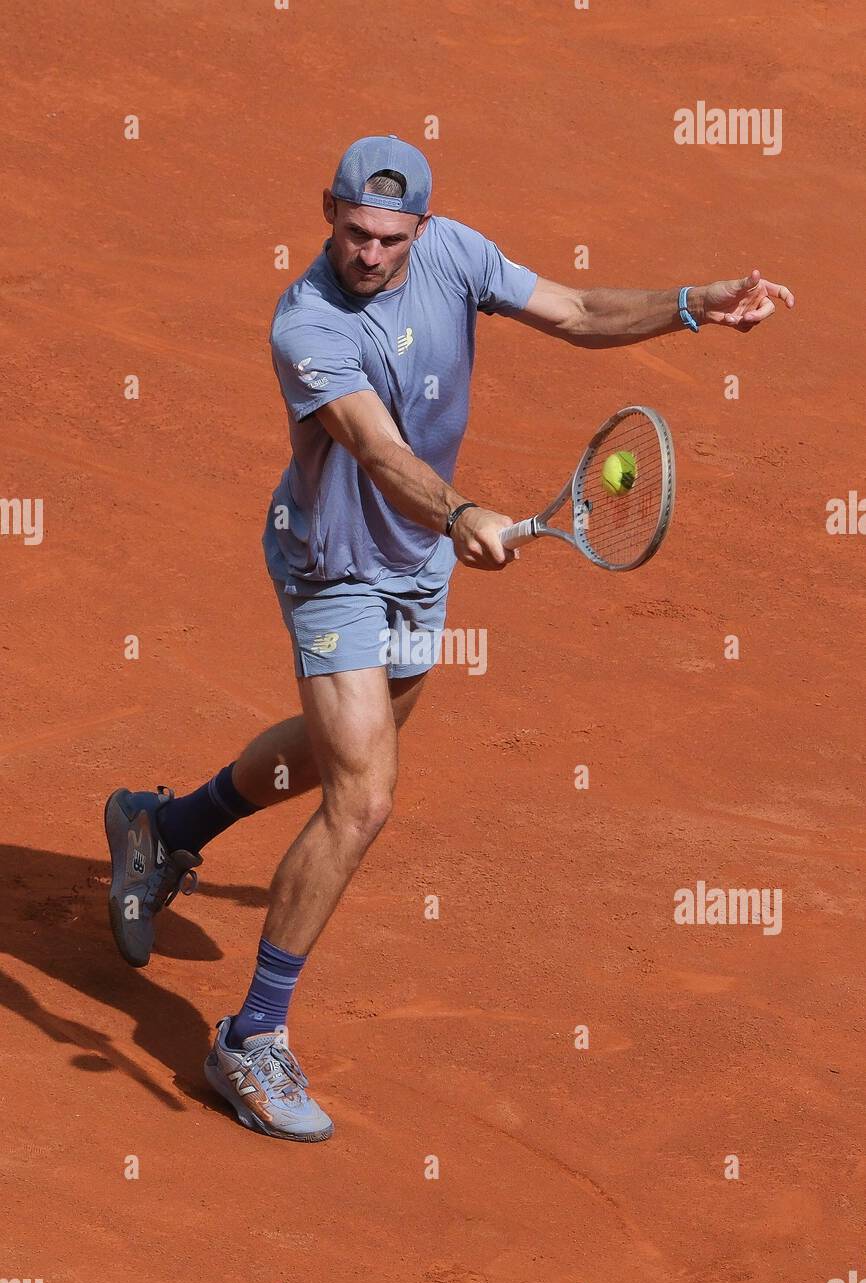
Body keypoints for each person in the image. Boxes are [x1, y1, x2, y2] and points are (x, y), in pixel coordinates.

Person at [104, 134, 795, 1143]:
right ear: (326, 212)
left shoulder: (455, 253)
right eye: (352, 233)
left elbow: (574, 310)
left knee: (346, 743)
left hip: (416, 563)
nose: (370, 255)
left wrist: (693, 303)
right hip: (332, 566)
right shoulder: (306, 323)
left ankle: (161, 829)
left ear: (420, 229)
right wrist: (460, 509)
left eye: (389, 238)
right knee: (363, 797)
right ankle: (249, 1037)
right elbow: (378, 448)